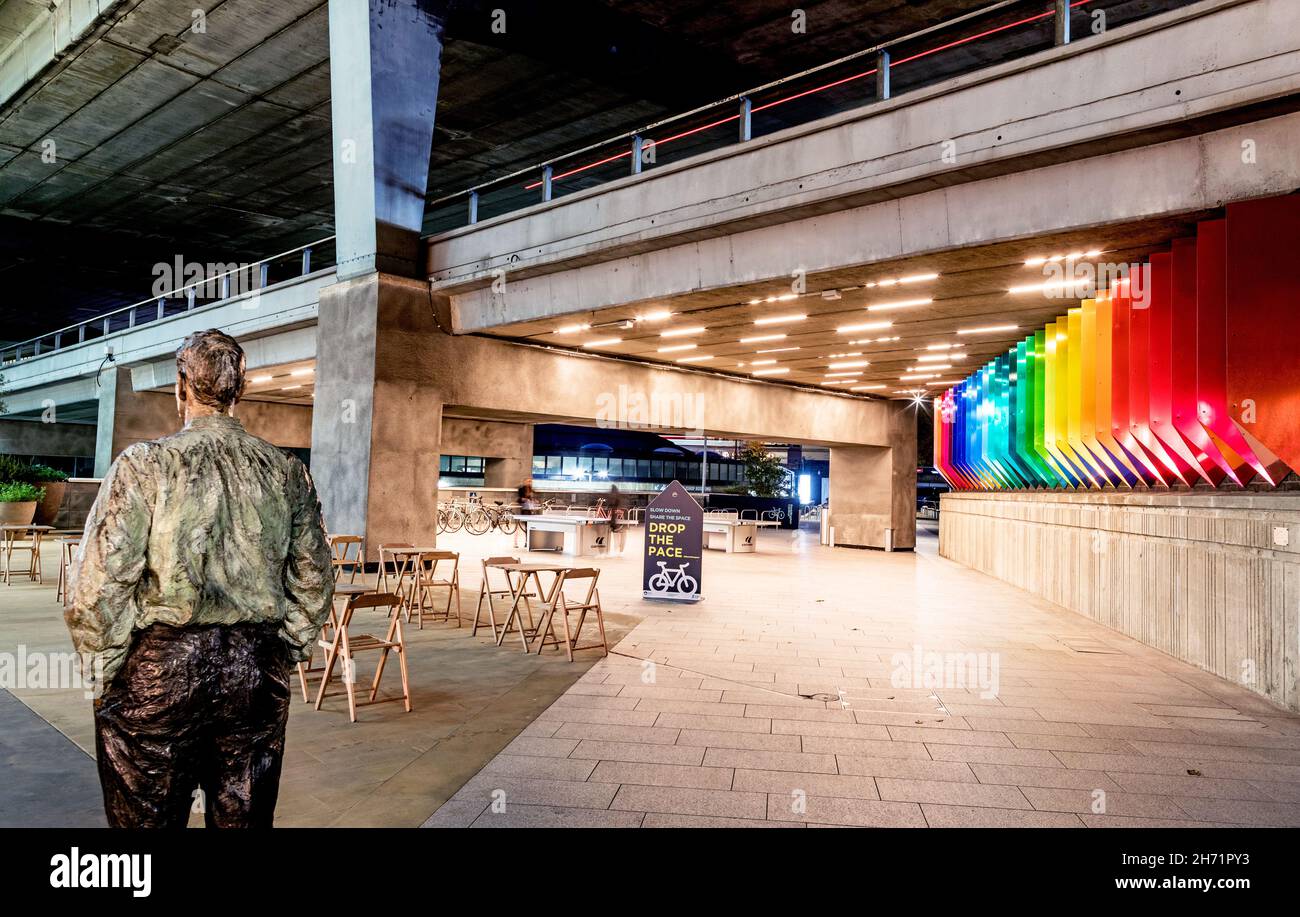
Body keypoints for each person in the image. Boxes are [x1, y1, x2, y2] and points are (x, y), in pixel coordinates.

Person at [66, 328, 334, 828]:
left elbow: (99, 583)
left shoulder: (145, 466)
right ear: (242, 388)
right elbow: (315, 579)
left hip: (158, 672)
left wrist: (104, 670)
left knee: (145, 825)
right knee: (244, 817)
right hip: (253, 671)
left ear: (180, 385)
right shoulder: (285, 471)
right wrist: (284, 650)